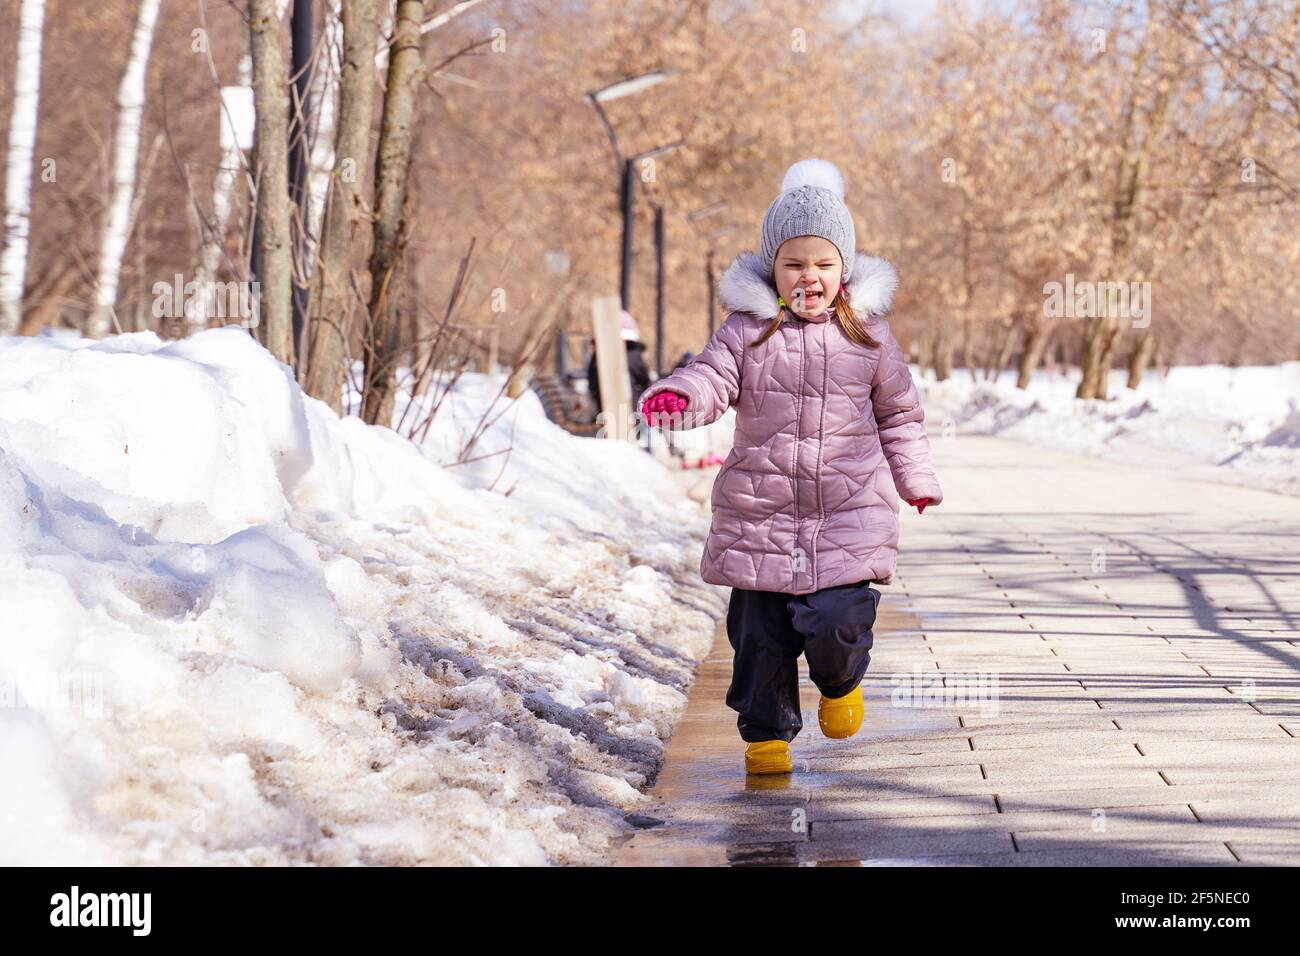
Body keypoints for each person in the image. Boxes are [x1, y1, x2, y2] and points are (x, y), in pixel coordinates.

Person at [639, 159, 944, 776]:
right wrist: (681, 396)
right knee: (758, 639)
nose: (810, 276)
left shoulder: (870, 337)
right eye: (795, 263)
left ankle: (839, 682)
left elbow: (900, 414)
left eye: (824, 263)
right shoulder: (746, 331)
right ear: (773, 269)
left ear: (845, 269)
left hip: (848, 511)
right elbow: (709, 377)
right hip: (760, 513)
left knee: (836, 620)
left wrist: (915, 478)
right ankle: (766, 738)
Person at [587, 309, 651, 421]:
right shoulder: (634, 355)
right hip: (632, 414)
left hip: (603, 413)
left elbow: (592, 384)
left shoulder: (598, 357)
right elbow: (645, 381)